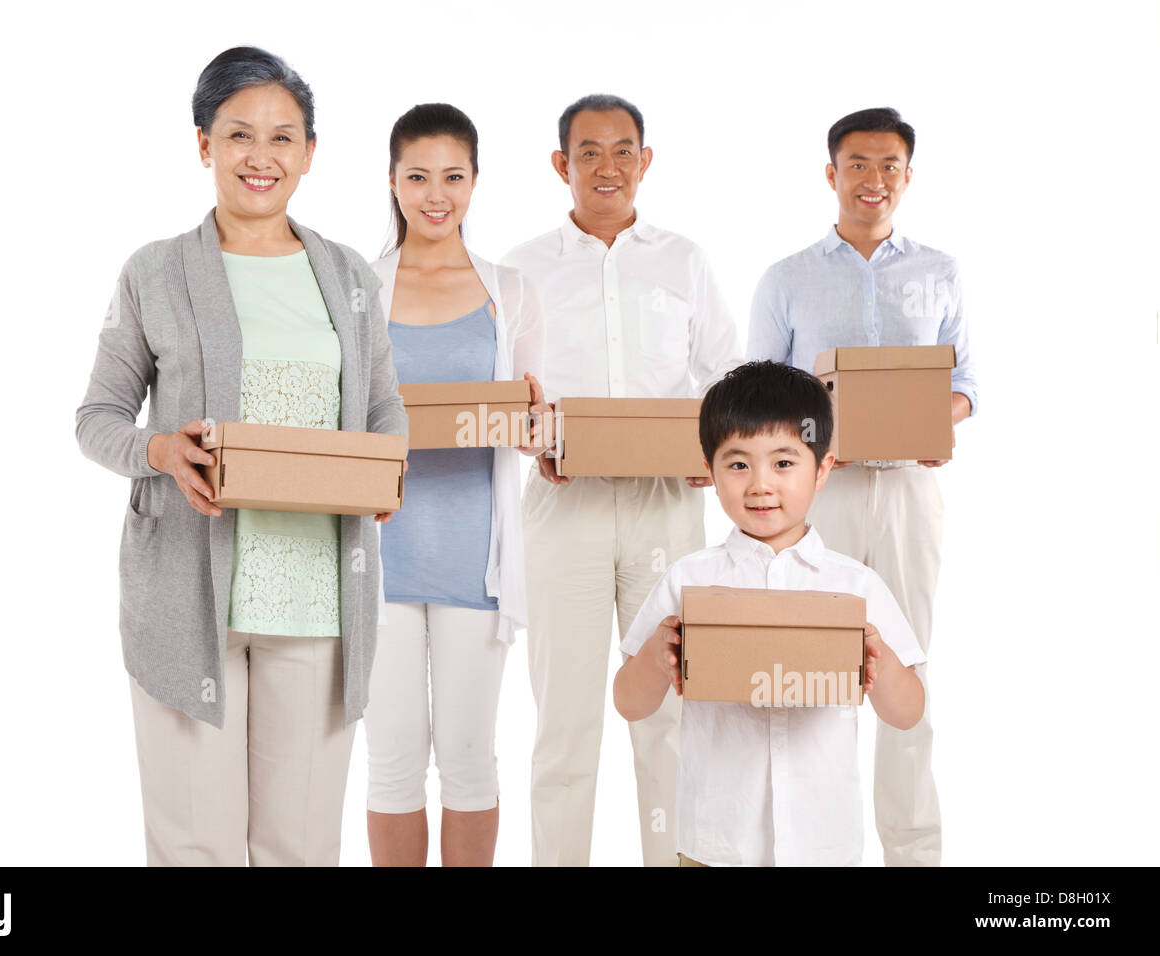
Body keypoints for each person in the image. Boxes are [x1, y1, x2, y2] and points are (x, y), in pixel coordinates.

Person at [74, 46, 407, 866]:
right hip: (189, 598)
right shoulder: (153, 272)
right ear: (203, 145)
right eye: (239, 136)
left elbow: (381, 403)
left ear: (310, 153)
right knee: (197, 846)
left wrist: (390, 465)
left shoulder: (348, 276)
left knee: (299, 844)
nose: (263, 157)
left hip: (318, 599)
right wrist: (159, 448)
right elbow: (97, 417)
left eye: (284, 138)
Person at [502, 94, 744, 866]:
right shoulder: (523, 269)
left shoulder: (683, 260)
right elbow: (505, 388)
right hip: (563, 505)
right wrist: (526, 436)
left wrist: (715, 451)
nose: (608, 167)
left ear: (646, 161)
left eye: (623, 151)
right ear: (560, 165)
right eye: (589, 152)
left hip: (664, 506)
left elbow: (729, 375)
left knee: (671, 712)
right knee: (565, 722)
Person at [746, 107, 977, 867]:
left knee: (904, 673)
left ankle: (913, 855)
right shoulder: (787, 278)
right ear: (831, 173)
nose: (872, 181)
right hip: (824, 497)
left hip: (911, 491)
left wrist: (938, 420)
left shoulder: (939, 270)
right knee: (815, 672)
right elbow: (755, 394)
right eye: (857, 165)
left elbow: (968, 381)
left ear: (907, 177)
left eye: (888, 167)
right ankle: (812, 849)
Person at [613, 360, 926, 866]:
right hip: (715, 842)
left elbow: (909, 712)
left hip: (821, 844)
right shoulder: (688, 580)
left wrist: (882, 666)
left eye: (783, 463)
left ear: (822, 470)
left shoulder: (853, 585)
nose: (760, 484)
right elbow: (629, 702)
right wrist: (655, 657)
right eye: (738, 465)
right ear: (709, 472)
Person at [364, 103, 547, 867]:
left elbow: (542, 419)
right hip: (380, 564)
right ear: (392, 181)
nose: (435, 195)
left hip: (479, 560)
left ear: (475, 182)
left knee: (471, 761)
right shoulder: (359, 288)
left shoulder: (510, 289)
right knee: (393, 763)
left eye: (453, 177)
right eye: (417, 177)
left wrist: (542, 424)